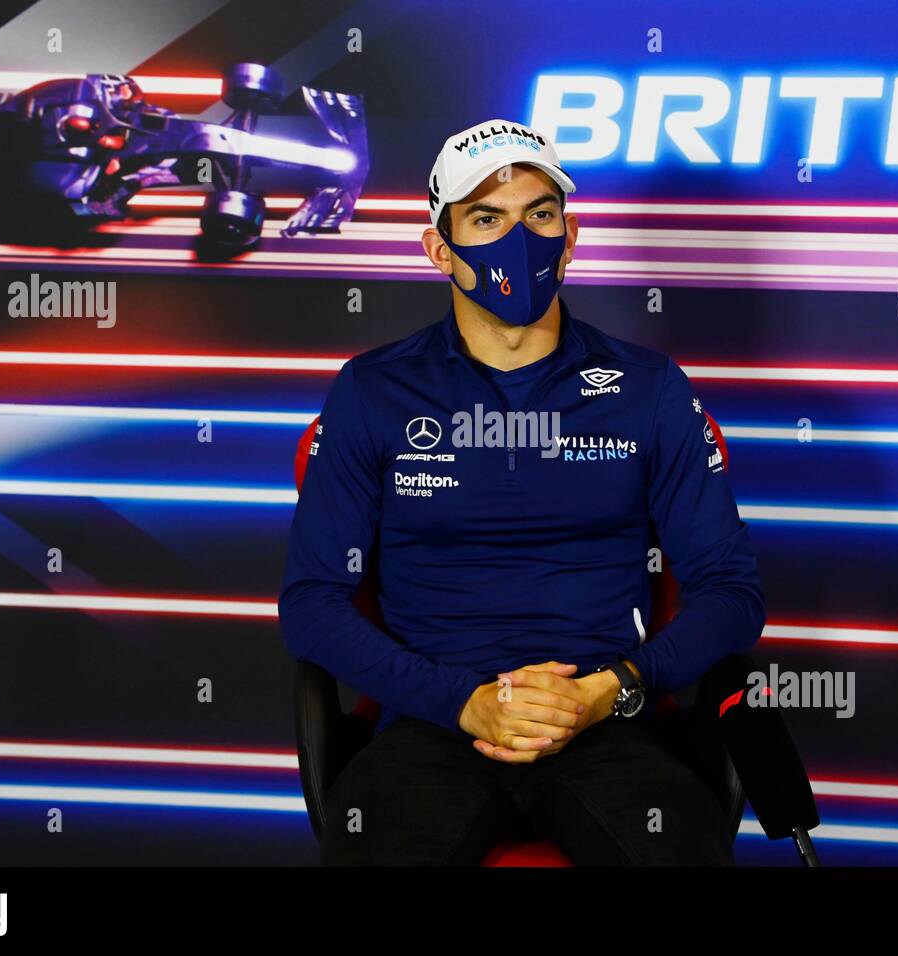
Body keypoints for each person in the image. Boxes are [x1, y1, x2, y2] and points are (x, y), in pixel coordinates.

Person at [279, 118, 766, 865]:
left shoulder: (648, 388)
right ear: (439, 249)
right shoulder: (373, 391)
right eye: (487, 218)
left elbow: (732, 591)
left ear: (571, 237)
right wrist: (463, 701)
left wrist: (616, 687)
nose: (520, 238)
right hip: (434, 725)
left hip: (604, 722)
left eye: (540, 215)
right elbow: (311, 603)